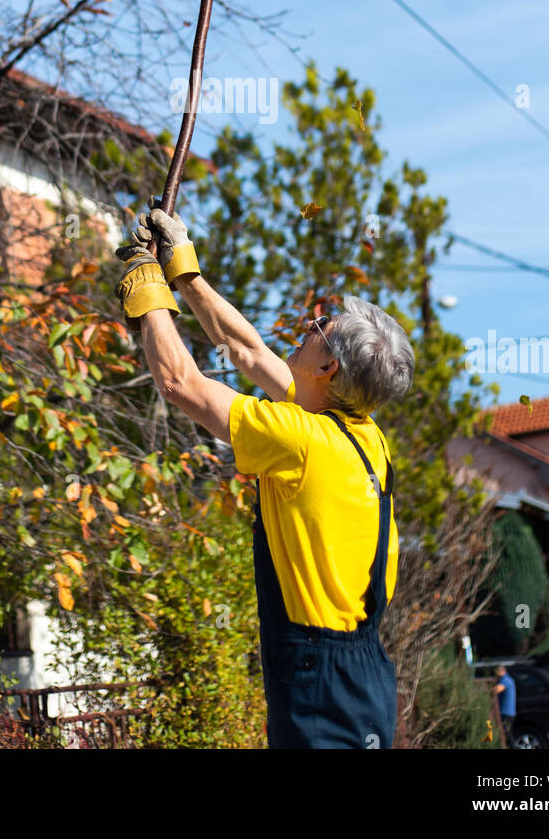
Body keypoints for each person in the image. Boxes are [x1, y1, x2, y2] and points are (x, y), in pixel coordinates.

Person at [114, 199, 414, 750]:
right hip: (367, 674)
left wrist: (142, 282)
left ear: (328, 367)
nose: (310, 323)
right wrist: (181, 266)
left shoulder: (300, 439)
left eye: (322, 327)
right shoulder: (362, 436)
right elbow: (246, 351)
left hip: (318, 676)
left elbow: (181, 383)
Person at [494, 665, 517, 746]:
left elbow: (497, 689)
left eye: (496, 673)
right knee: (506, 734)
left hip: (507, 713)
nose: (495, 675)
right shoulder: (505, 680)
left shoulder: (506, 680)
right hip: (506, 713)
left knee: (507, 735)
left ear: (502, 671)